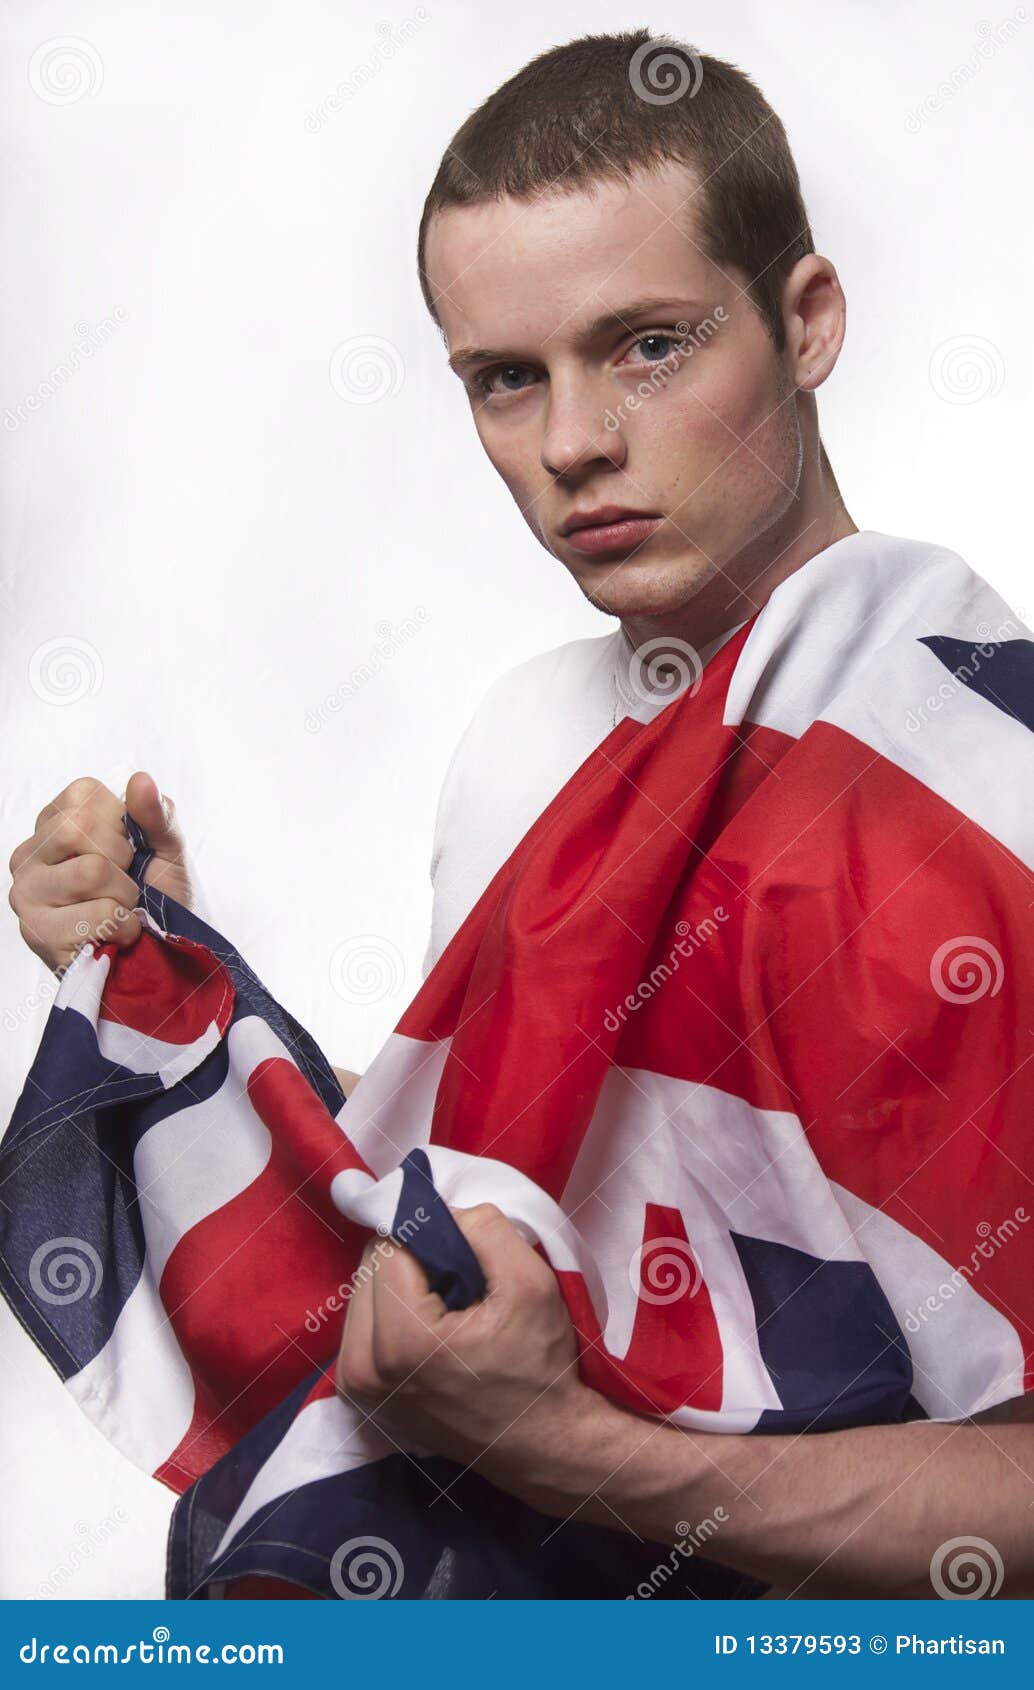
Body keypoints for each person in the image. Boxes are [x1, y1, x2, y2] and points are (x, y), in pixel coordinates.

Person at [8, 30, 1034, 1598]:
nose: (571, 445)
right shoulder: (523, 738)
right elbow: (523, 1193)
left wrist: (573, 1453)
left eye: (648, 346)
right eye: (505, 377)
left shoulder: (975, 781)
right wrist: (180, 984)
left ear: (806, 321)